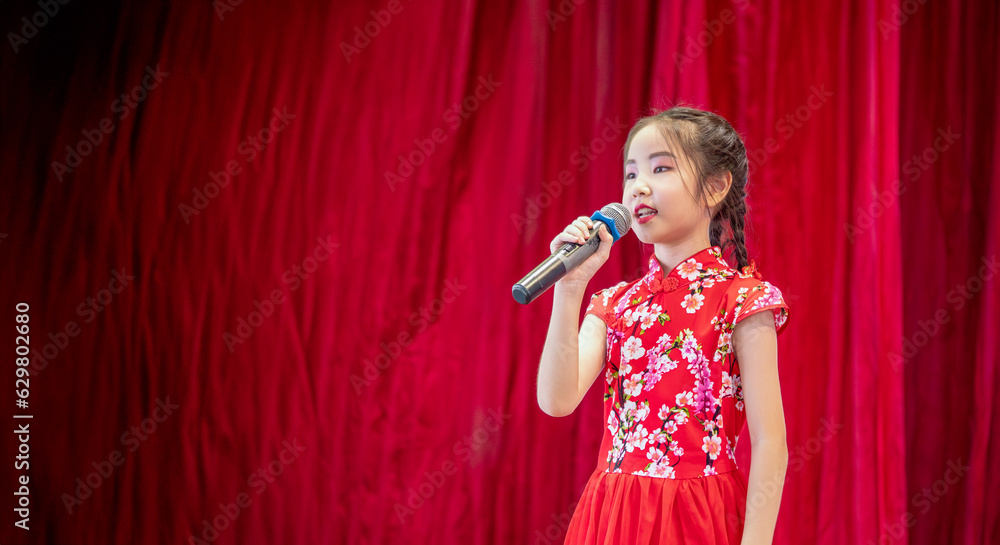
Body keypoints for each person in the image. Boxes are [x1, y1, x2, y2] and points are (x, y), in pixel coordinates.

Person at [536, 106, 791, 544]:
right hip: (612, 516)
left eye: (660, 168)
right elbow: (556, 400)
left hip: (698, 517)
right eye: (631, 173)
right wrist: (570, 286)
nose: (639, 187)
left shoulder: (743, 299)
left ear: (715, 187)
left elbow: (771, 444)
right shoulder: (614, 303)